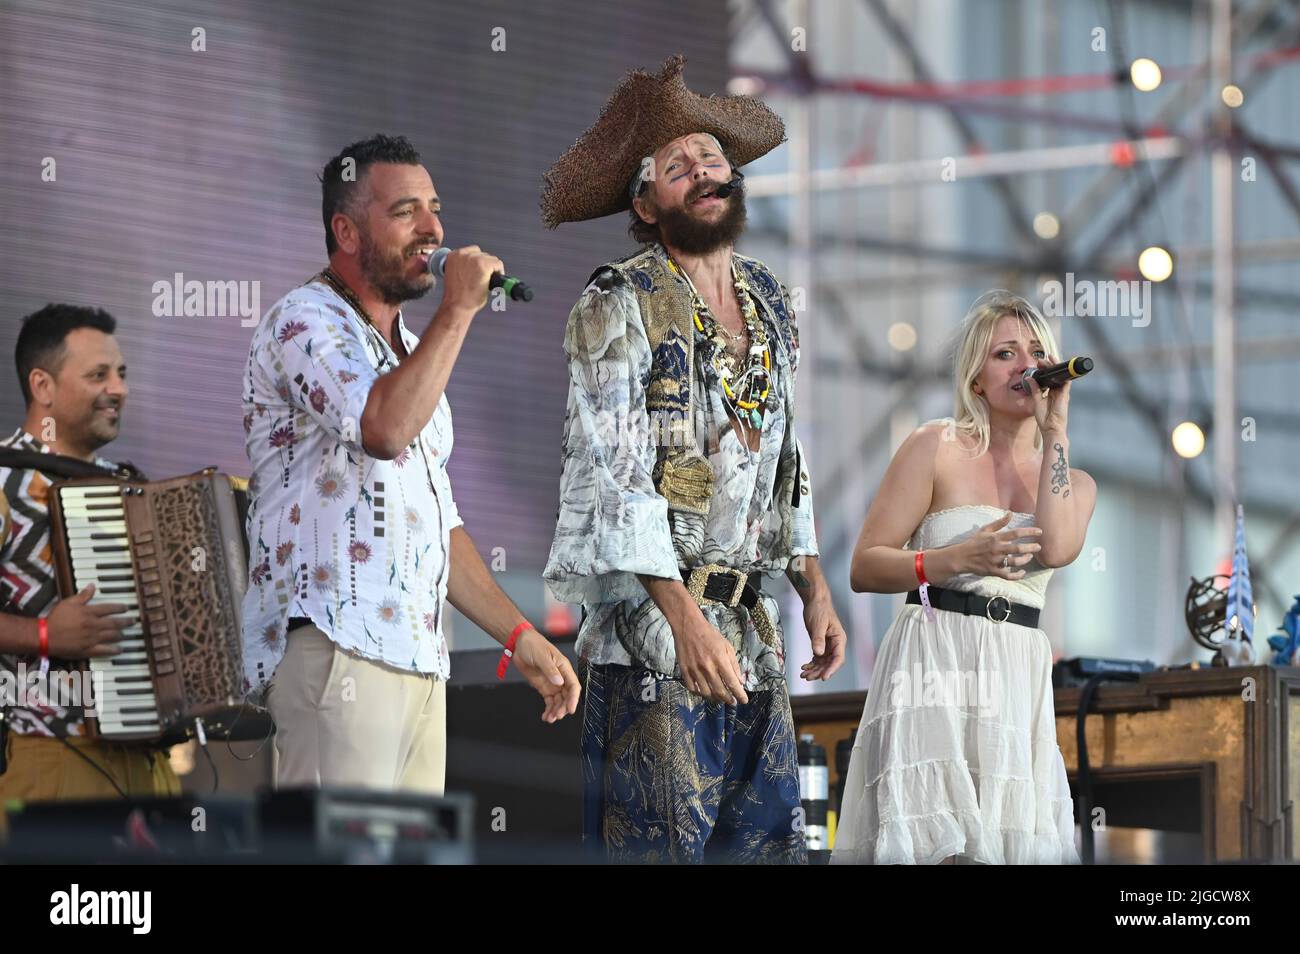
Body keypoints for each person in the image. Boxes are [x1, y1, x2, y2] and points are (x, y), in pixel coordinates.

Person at [541, 57, 846, 863]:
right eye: (678, 167)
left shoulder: (770, 295)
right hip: (653, 634)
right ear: (647, 203)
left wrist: (812, 582)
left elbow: (784, 450)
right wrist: (680, 621)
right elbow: (614, 475)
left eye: (712, 159)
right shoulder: (616, 302)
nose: (704, 172)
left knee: (771, 849)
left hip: (750, 630)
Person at [241, 133, 580, 795]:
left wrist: (521, 636)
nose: (434, 229)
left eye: (435, 208)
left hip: (418, 659)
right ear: (346, 230)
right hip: (336, 646)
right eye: (405, 212)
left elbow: (438, 522)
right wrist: (459, 309)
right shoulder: (304, 322)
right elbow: (384, 430)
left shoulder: (411, 352)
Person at [833, 290, 1093, 865]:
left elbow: (1057, 545)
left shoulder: (1075, 480)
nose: (1025, 364)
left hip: (1014, 668)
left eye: (1035, 352)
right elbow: (865, 565)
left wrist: (1056, 433)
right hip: (935, 652)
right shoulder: (937, 446)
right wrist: (954, 560)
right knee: (935, 845)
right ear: (977, 378)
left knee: (1004, 845)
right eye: (1005, 353)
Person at [0, 304, 178, 821]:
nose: (118, 388)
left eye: (120, 374)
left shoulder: (131, 487)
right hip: (48, 757)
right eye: (98, 374)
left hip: (150, 766)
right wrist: (43, 637)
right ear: (43, 386)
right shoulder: (5, 481)